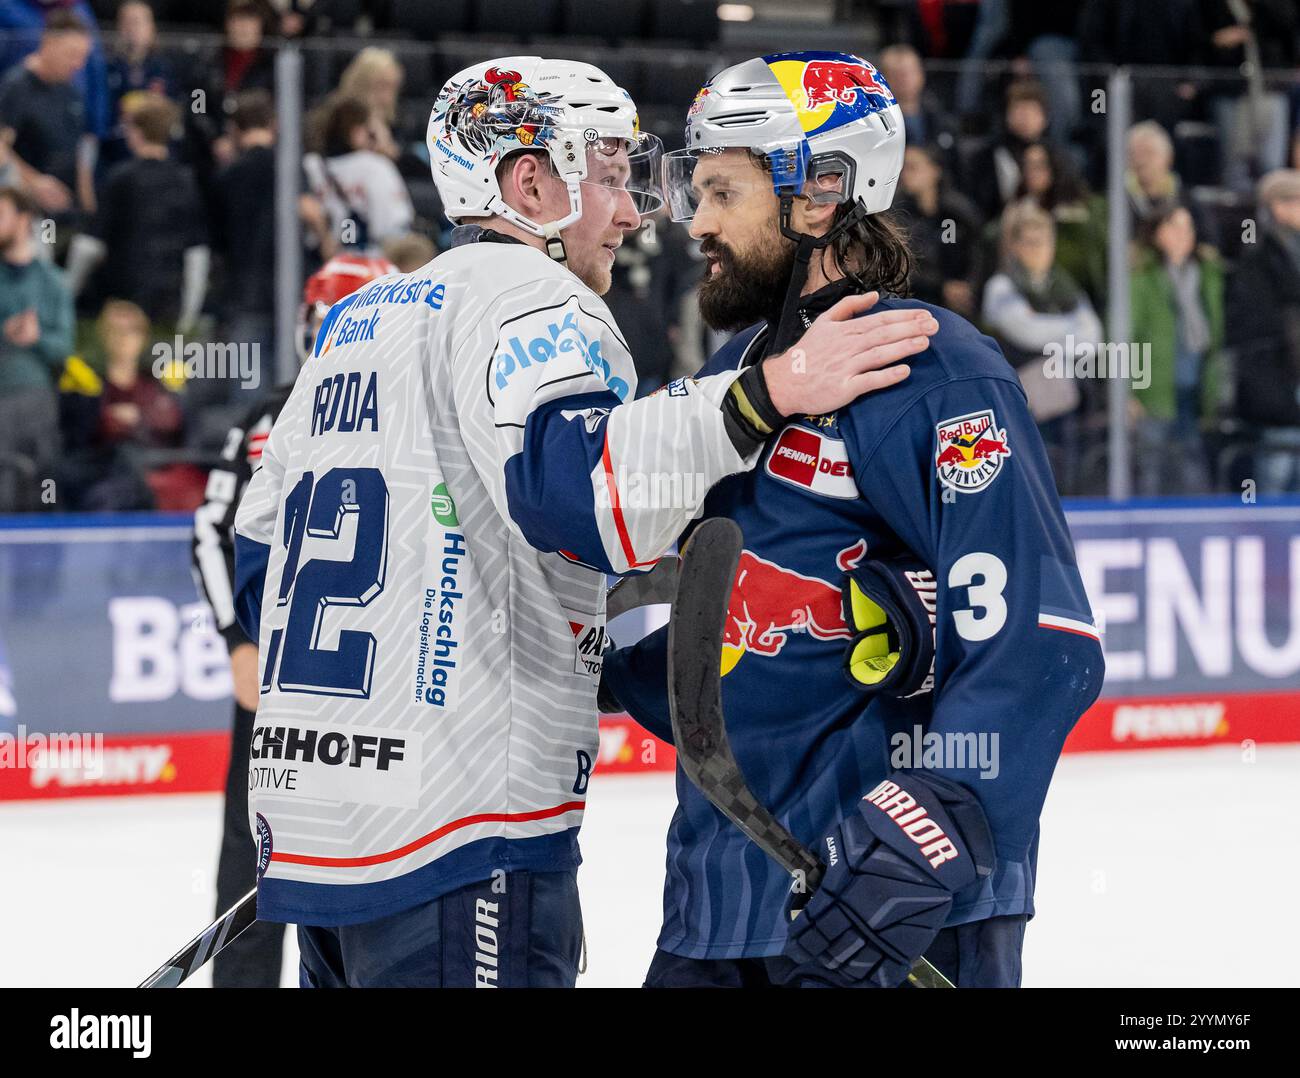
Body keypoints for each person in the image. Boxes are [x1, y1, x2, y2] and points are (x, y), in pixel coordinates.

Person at [230, 55, 933, 989]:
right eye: (609, 175)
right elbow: (580, 499)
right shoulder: (537, 299)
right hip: (462, 836)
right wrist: (769, 391)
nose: (637, 211)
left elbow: (257, 557)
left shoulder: (355, 323)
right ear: (530, 182)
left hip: (314, 829)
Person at [600, 51, 1104, 989]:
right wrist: (583, 670)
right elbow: (744, 643)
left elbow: (1044, 643)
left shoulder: (934, 372)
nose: (695, 221)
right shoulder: (730, 384)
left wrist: (926, 841)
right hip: (718, 905)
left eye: (721, 191)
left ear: (821, 192)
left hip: (886, 916)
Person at [191, 253, 395, 988]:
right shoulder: (269, 419)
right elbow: (211, 526)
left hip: (376, 688)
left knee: (364, 853)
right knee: (254, 853)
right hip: (292, 676)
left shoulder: (411, 414)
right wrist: (238, 639)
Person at [981, 201, 1102, 489]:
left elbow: (1093, 337)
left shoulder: (1065, 285)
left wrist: (1052, 338)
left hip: (1063, 399)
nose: (1038, 249)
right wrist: (1067, 332)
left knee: (1065, 469)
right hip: (1015, 402)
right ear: (1015, 246)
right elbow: (1026, 332)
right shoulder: (1001, 286)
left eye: (1044, 241)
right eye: (1030, 242)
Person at [65, 93, 208, 330]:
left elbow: (90, 245)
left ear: (137, 132)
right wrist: (190, 312)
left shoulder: (121, 179)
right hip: (168, 302)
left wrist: (67, 294)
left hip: (123, 302)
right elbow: (197, 253)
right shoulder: (186, 181)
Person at [1129, 204, 1224, 494]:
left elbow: (1215, 333)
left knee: (1192, 467)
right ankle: (1145, 534)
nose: (1183, 234)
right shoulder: (1140, 276)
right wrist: (1125, 392)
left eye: (1188, 227)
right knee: (1151, 469)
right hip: (1152, 390)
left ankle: (1196, 533)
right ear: (1156, 233)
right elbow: (1122, 338)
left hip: (1193, 388)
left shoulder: (1206, 273)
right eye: (1174, 226)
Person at [1226, 169, 1300, 492]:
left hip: (1288, 387)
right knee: (1276, 474)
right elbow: (1256, 329)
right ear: (1277, 206)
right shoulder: (1257, 258)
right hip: (1278, 391)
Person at [0, 184, 72, 510]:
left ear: (24, 219)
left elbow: (63, 348)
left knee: (43, 489)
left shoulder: (52, 281)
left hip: (36, 401)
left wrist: (35, 338)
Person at [0, 9, 95, 217]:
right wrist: (34, 182)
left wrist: (88, 206)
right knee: (46, 242)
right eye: (72, 55)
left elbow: (79, 149)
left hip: (69, 210)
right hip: (32, 212)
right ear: (49, 44)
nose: (78, 64)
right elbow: (1, 148)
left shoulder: (71, 91)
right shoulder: (16, 87)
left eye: (83, 57)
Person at [303, 93, 413, 256]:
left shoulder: (311, 165)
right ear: (357, 131)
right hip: (371, 264)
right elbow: (395, 226)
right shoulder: (376, 166)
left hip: (324, 265)